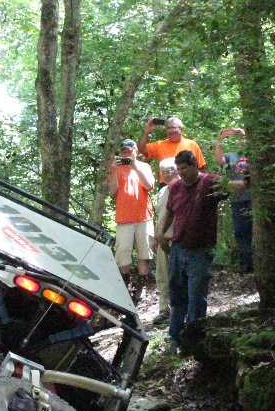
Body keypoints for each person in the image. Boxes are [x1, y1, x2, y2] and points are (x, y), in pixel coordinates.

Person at [153, 150, 247, 345]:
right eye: (179, 170)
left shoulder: (208, 182)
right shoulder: (176, 187)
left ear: (195, 165)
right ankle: (175, 336)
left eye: (185, 169)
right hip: (178, 248)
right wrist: (160, 232)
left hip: (200, 250)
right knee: (177, 297)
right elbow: (169, 212)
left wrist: (248, 181)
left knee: (196, 297)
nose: (182, 173)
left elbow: (232, 186)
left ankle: (194, 339)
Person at [106, 139, 157, 302]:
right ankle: (125, 284)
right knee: (122, 253)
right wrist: (113, 170)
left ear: (135, 151)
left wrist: (134, 166)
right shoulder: (116, 168)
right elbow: (113, 191)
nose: (126, 153)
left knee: (145, 251)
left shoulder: (144, 166)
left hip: (144, 216)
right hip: (124, 218)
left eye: (129, 150)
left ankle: (141, 285)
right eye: (123, 151)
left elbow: (149, 185)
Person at [214, 127, 252, 272]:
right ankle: (246, 263)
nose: (242, 141)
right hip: (238, 199)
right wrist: (220, 139)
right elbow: (219, 159)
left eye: (244, 138)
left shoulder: (253, 156)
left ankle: (257, 261)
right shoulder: (233, 156)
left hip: (254, 199)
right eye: (241, 138)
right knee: (241, 231)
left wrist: (243, 133)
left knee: (255, 230)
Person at [138, 116, 207, 183]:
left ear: (181, 129)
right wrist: (147, 131)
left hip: (187, 183)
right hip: (166, 184)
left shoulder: (192, 144)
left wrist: (200, 185)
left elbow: (200, 167)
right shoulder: (159, 145)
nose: (170, 131)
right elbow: (141, 149)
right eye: (168, 128)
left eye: (173, 128)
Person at [151, 160, 179, 325]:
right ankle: (164, 310)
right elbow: (160, 216)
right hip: (162, 240)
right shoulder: (162, 191)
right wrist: (156, 237)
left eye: (170, 170)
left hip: (178, 239)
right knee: (162, 276)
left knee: (178, 276)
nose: (167, 173)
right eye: (164, 171)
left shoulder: (184, 188)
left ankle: (179, 309)